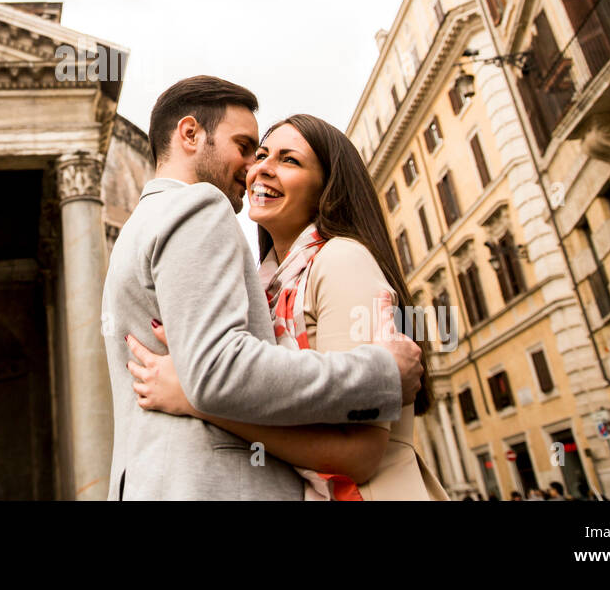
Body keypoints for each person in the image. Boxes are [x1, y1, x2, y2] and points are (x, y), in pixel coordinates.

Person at [101, 78, 424, 501]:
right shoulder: (201, 209)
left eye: (287, 159)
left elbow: (360, 452)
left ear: (327, 184)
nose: (256, 167)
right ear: (190, 133)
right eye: (250, 148)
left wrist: (194, 393)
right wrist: (382, 374)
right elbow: (219, 371)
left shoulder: (341, 259)